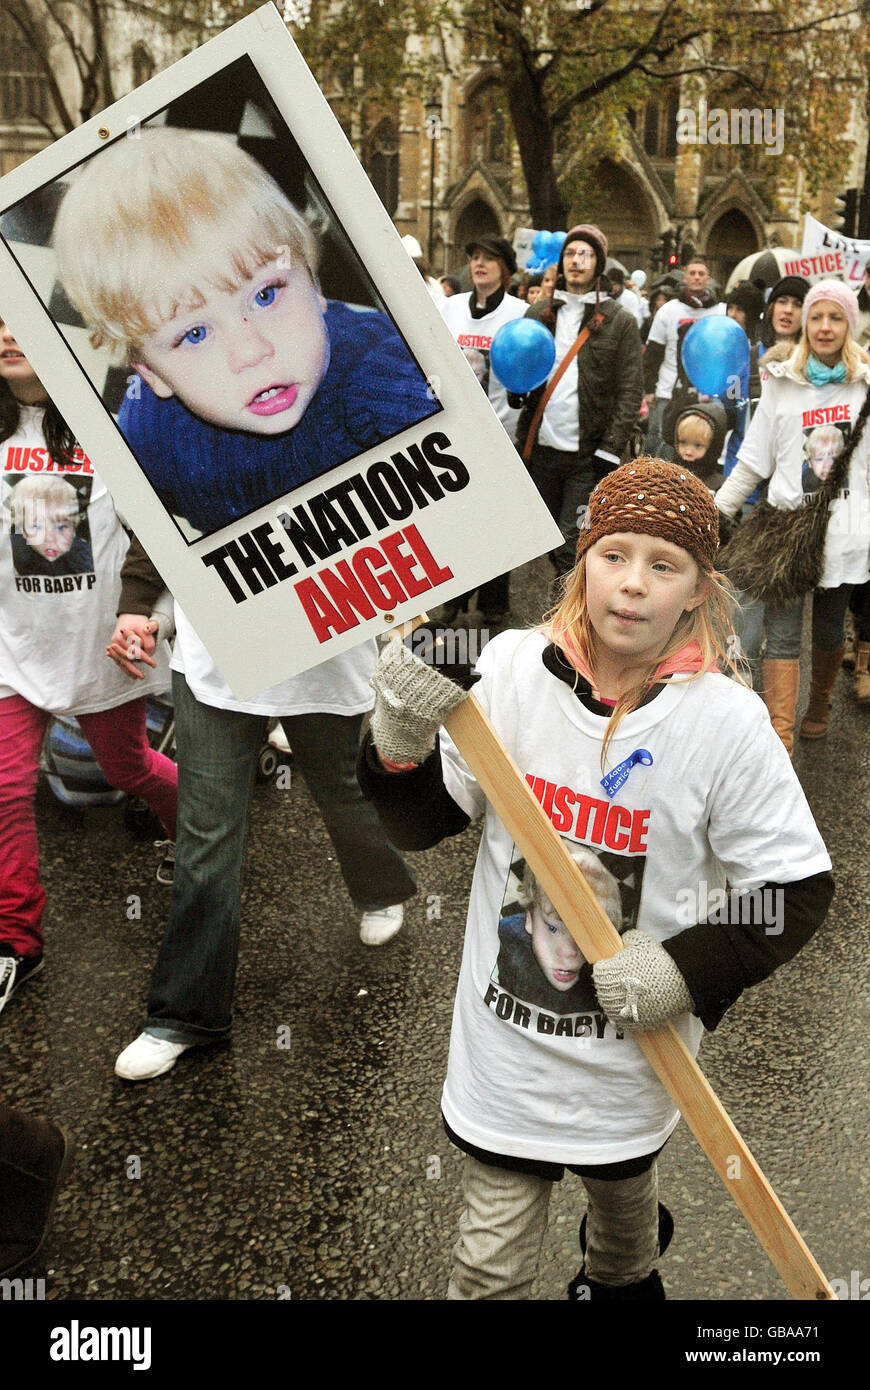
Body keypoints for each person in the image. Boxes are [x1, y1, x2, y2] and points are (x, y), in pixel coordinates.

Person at [358, 457, 833, 1301]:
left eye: (664, 565)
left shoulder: (725, 723)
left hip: (634, 1070)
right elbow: (423, 824)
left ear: (697, 590)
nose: (632, 586)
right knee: (485, 1270)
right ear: (581, 561)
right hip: (504, 1061)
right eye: (614, 555)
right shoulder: (507, 671)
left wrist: (681, 970)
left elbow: (797, 889)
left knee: (623, 1255)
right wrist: (397, 741)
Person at [106, 531, 418, 1081]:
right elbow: (160, 502)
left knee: (341, 790)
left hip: (325, 643)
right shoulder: (195, 439)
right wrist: (138, 605)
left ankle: (381, 889)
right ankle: (185, 1015)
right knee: (206, 835)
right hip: (216, 656)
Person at [53, 129, 440, 539]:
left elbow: (463, 455)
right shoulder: (150, 428)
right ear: (151, 374)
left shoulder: (375, 369)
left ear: (316, 286)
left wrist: (450, 390)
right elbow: (154, 538)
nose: (252, 351)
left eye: (265, 295)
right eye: (196, 334)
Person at [0, 320, 177, 1018]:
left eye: (18, 321)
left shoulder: (111, 431)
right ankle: (17, 939)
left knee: (128, 768)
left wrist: (136, 610)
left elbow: (154, 531)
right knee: (5, 787)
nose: (5, 335)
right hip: (14, 649)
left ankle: (202, 836)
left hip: (100, 644)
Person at [715, 280, 870, 752]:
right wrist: (714, 509)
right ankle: (780, 737)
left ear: (851, 325)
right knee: (780, 639)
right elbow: (754, 460)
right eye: (817, 317)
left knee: (827, 630)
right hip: (787, 536)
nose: (825, 327)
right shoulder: (782, 382)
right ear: (806, 323)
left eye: (836, 318)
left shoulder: (865, 384)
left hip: (844, 536)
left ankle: (819, 704)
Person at [515, 224, 644, 579]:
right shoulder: (538, 313)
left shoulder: (620, 321)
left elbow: (630, 389)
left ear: (598, 264)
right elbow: (523, 369)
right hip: (539, 448)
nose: (576, 261)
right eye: (570, 254)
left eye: (585, 254)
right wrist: (518, 390)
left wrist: (610, 448)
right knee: (545, 537)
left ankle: (563, 626)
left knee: (573, 542)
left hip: (587, 457)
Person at [438, 234, 527, 624]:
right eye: (474, 256)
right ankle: (454, 599)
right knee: (459, 518)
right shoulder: (452, 307)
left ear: (504, 268)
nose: (479, 264)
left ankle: (494, 602)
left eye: (489, 259)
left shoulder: (520, 312)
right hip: (456, 430)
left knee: (498, 520)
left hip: (501, 432)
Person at [643, 257, 724, 454]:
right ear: (685, 277)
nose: (696, 277)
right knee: (661, 448)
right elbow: (653, 353)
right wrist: (649, 389)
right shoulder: (668, 311)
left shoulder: (720, 311)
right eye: (692, 273)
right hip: (668, 391)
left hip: (706, 394)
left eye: (701, 273)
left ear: (708, 278)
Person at [8, 474, 92, 576]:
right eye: (37, 527)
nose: (50, 538)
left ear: (74, 528)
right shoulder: (16, 548)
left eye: (61, 527)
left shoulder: (81, 555)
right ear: (23, 531)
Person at [661, 401, 727, 487]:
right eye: (683, 443)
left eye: (698, 446)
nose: (688, 452)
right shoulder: (666, 477)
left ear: (712, 447)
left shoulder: (719, 486)